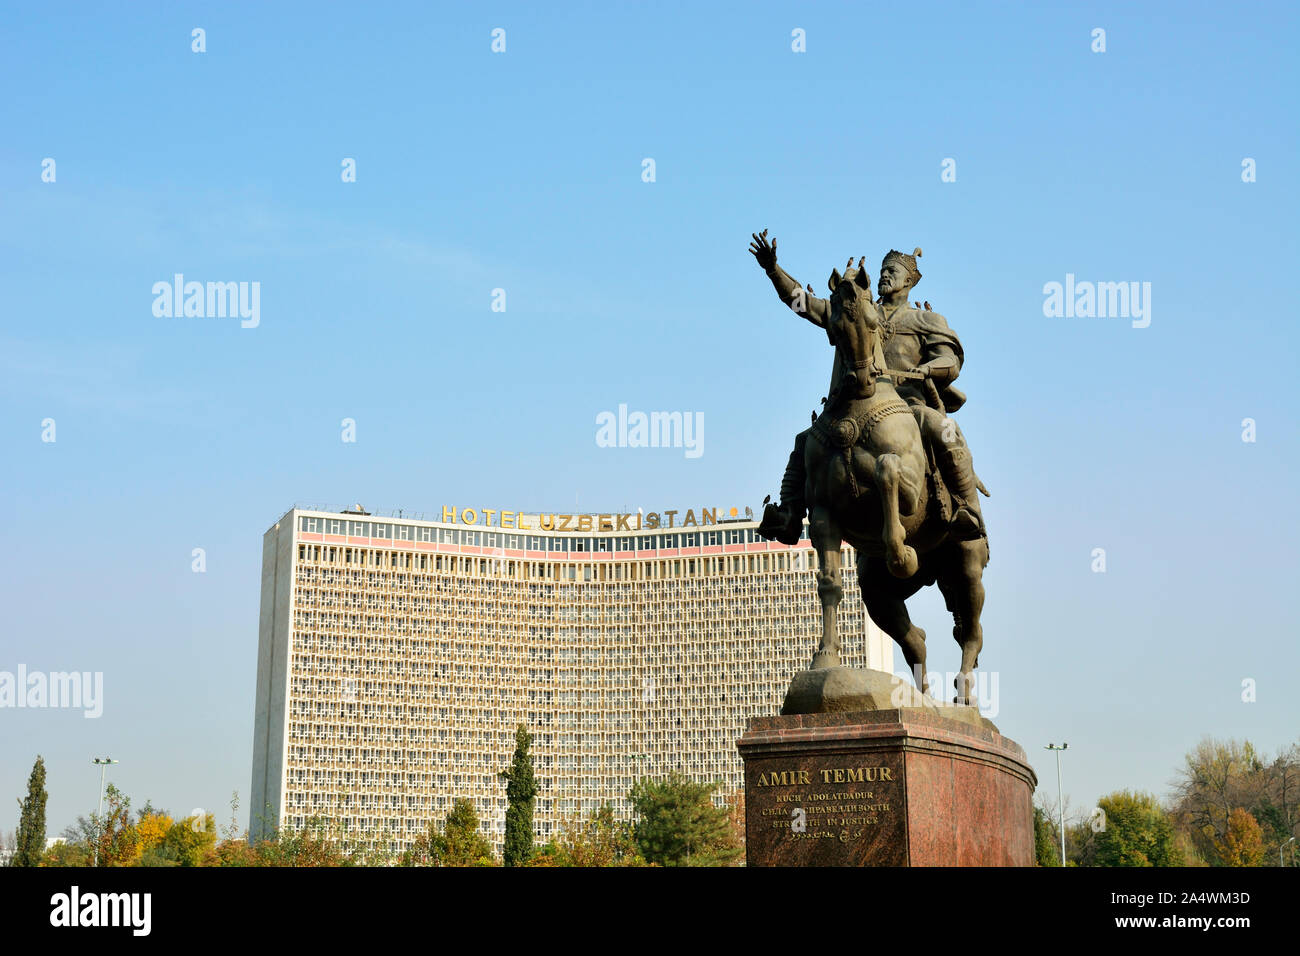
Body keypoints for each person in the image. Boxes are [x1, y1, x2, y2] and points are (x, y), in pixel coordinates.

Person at [748, 231, 986, 545]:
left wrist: (926, 368)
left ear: (910, 281)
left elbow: (950, 360)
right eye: (884, 271)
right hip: (856, 402)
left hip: (908, 406)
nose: (886, 276)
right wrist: (773, 270)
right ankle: (790, 512)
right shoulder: (856, 310)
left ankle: (967, 508)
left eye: (894, 272)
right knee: (805, 440)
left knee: (944, 428)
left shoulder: (925, 319)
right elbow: (803, 304)